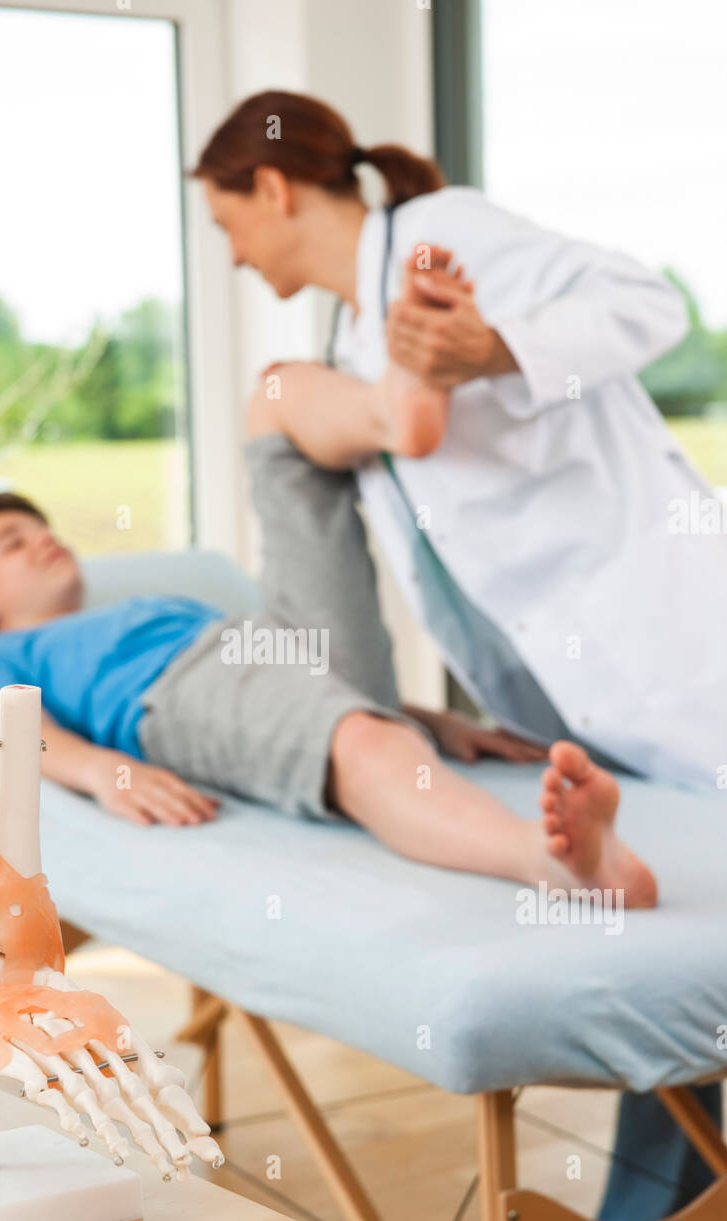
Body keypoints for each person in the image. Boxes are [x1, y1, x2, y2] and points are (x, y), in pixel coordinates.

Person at [193, 90, 727, 791]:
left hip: (659, 621)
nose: (232, 255)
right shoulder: (350, 339)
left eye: (226, 225)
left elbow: (648, 303)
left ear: (270, 188)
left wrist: (496, 348)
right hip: (556, 685)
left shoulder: (438, 232)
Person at [0, 490, 656, 907]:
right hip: (181, 689)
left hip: (260, 647)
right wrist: (100, 771)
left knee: (370, 721)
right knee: (357, 741)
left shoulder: (143, 606)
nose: (42, 540)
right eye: (11, 543)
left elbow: (295, 687)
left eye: (40, 528)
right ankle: (551, 863)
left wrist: (423, 718)